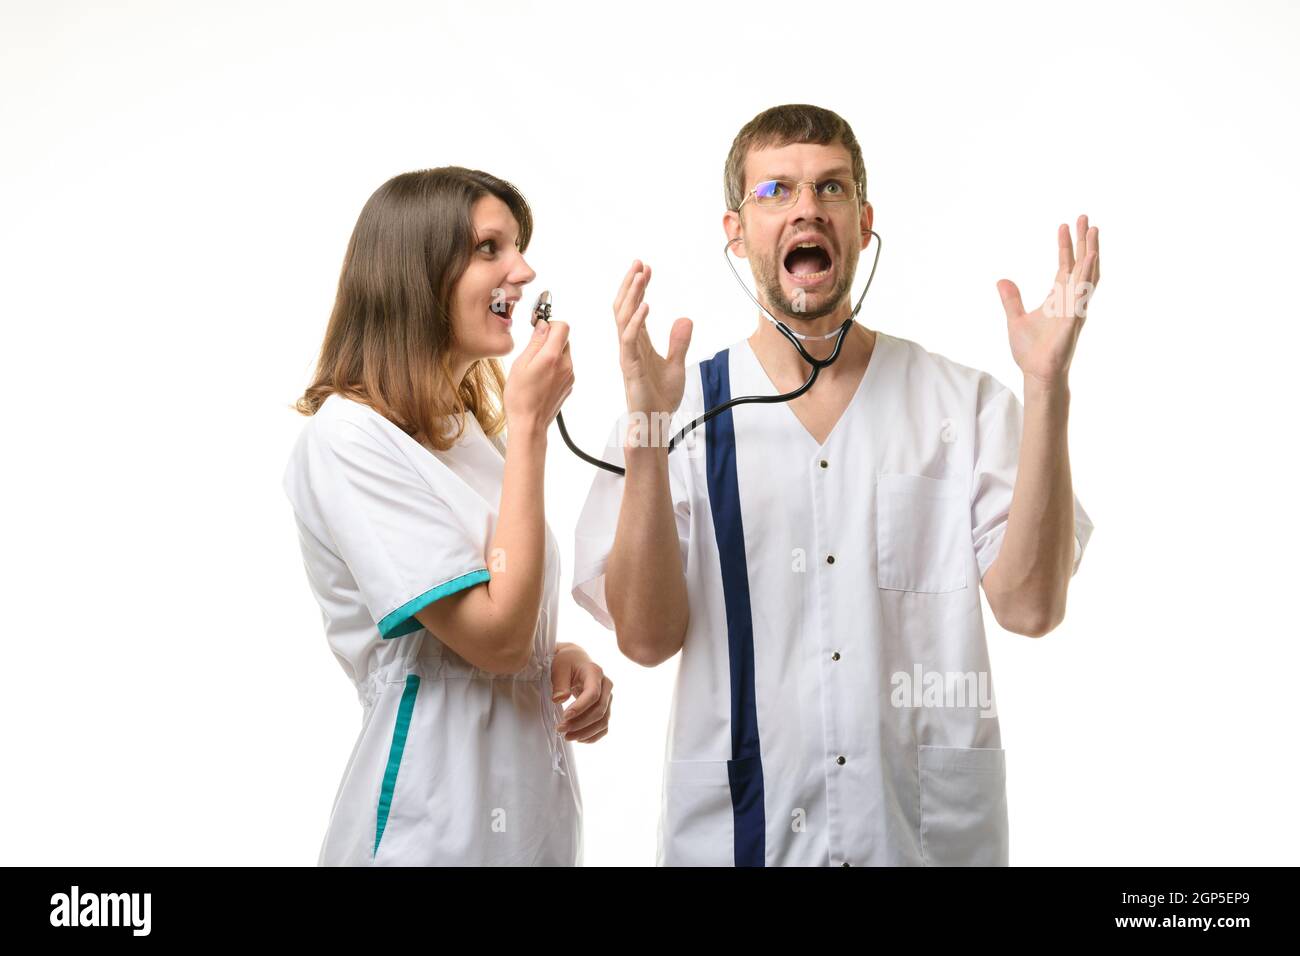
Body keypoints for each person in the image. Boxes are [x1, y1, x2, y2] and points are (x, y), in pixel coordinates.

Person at [571, 104, 1097, 866]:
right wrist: (648, 433)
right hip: (740, 837)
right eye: (775, 191)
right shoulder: (676, 409)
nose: (806, 208)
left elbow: (1032, 608)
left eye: (831, 189)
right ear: (736, 231)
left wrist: (1047, 386)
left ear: (862, 220)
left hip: (918, 841)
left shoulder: (963, 404)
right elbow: (646, 639)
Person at [282, 167, 612, 866]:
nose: (522, 271)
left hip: (531, 824)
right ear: (417, 274)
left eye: (517, 247)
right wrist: (529, 427)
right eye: (490, 248)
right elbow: (491, 639)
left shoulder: (468, 435)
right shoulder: (350, 438)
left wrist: (556, 658)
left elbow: (510, 629)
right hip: (430, 829)